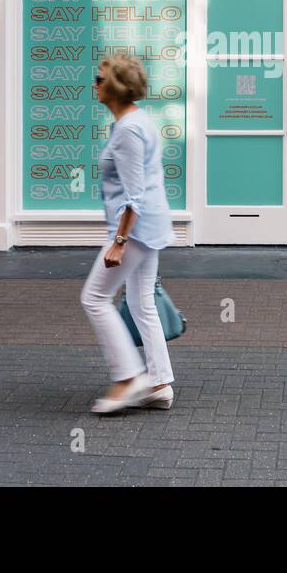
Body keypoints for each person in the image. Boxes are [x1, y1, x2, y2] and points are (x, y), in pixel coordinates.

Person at [79, 52, 175, 415]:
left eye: (100, 79)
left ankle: (127, 378)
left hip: (135, 230)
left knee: (94, 298)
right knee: (141, 302)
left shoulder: (129, 130)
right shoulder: (135, 122)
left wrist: (119, 242)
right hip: (149, 226)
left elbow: (134, 193)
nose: (95, 84)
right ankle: (160, 383)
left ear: (116, 87)